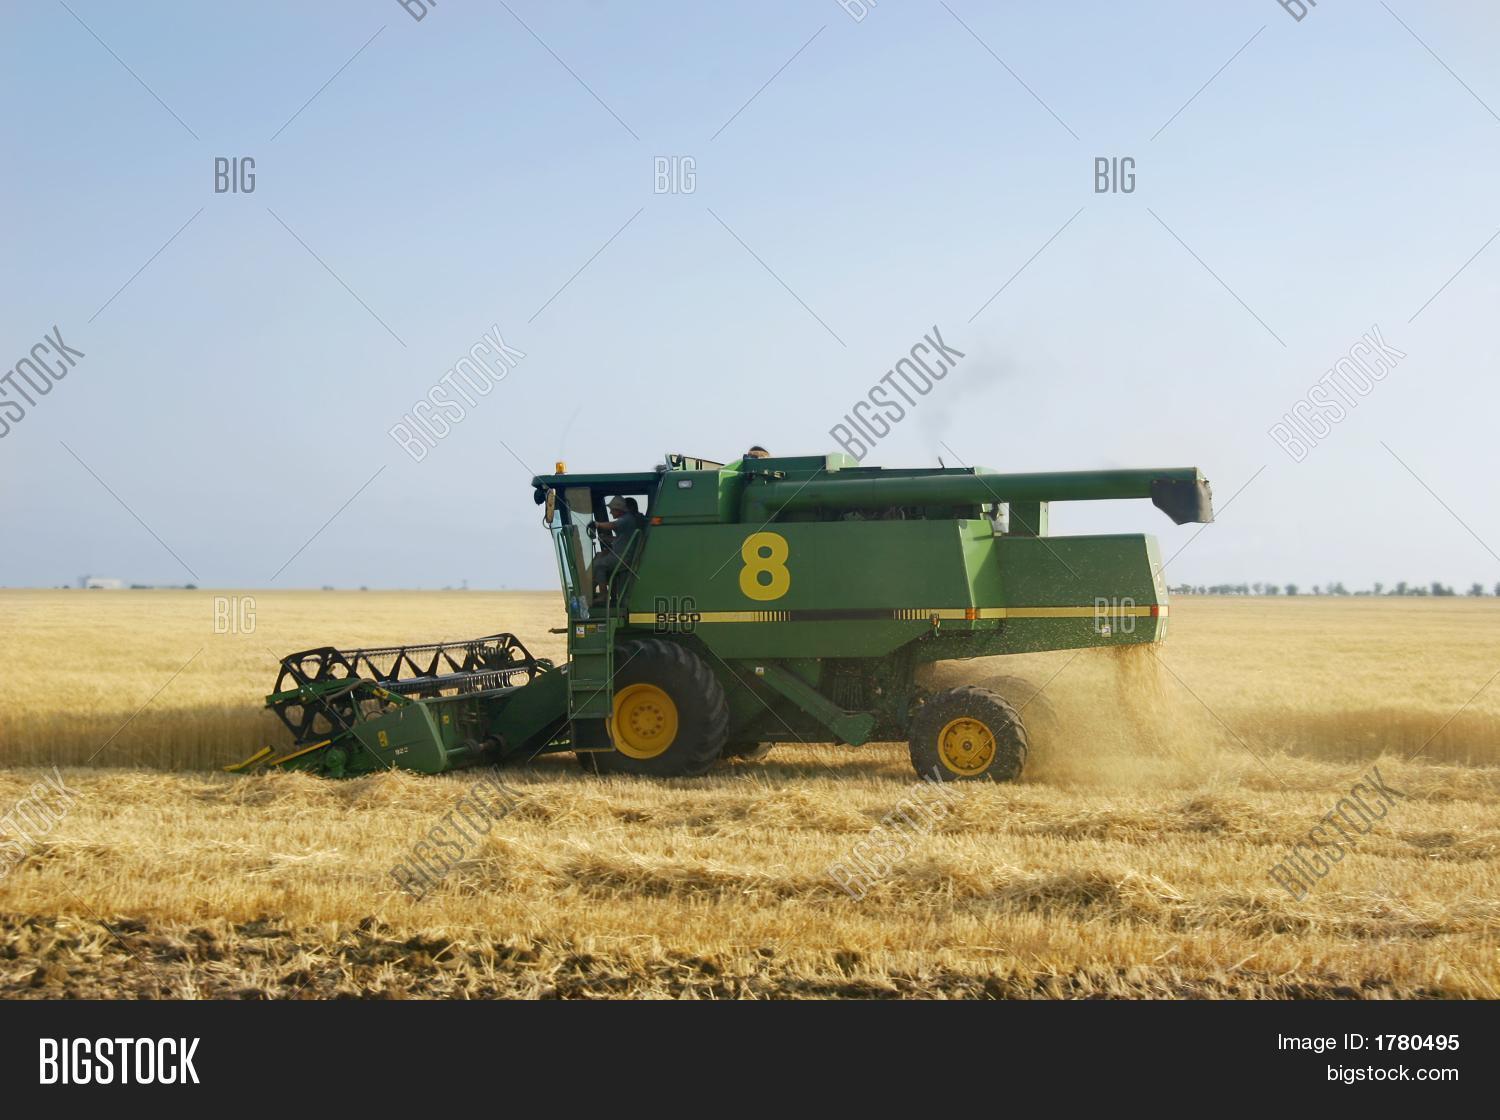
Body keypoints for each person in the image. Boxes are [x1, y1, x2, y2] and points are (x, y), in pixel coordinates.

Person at [592, 495, 646, 599]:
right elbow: (623, 538)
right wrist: (607, 538)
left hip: (624, 557)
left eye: (612, 510)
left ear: (618, 510)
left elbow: (613, 525)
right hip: (622, 555)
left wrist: (597, 524)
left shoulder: (626, 519)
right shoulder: (629, 520)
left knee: (599, 565)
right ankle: (611, 595)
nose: (611, 512)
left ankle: (603, 595)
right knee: (600, 557)